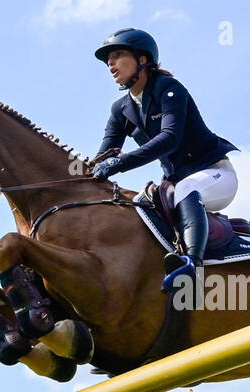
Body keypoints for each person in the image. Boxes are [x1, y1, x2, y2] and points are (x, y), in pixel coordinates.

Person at [90, 27, 239, 293]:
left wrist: (119, 164)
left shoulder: (168, 89)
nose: (110, 63)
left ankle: (192, 265)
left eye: (118, 55)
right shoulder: (120, 109)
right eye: (108, 59)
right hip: (177, 182)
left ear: (143, 60)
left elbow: (169, 138)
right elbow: (106, 155)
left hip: (216, 174)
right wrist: (81, 173)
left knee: (186, 188)